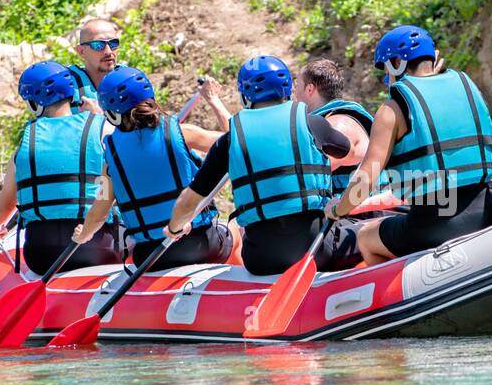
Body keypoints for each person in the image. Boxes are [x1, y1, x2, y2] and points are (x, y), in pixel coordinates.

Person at [165, 56, 362, 276]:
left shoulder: (229, 141)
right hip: (317, 248)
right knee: (369, 232)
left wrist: (173, 228)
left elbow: (189, 200)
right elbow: (343, 149)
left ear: (245, 95)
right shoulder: (310, 122)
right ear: (286, 88)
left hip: (260, 259)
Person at [327, 26, 492, 265]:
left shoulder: (392, 110)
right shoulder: (467, 88)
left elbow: (366, 179)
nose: (387, 79)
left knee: (366, 236)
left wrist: (338, 209)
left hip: (433, 227)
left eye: (387, 69)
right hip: (487, 213)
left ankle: (393, 296)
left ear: (397, 63)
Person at [71, 67, 234, 271]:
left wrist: (83, 234)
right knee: (236, 230)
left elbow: (99, 212)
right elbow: (236, 142)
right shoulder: (183, 132)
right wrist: (213, 100)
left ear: (112, 114)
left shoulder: (110, 157)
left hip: (149, 257)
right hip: (200, 245)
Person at [0, 61, 122, 274]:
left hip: (40, 254)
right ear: (71, 94)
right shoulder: (103, 127)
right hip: (97, 249)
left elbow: (6, 201)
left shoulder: (27, 141)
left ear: (34, 104)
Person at [292, 58, 387, 199]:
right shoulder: (331, 119)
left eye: (297, 84)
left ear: (309, 89)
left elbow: (311, 173)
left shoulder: (339, 124)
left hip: (364, 215)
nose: (293, 91)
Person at [67, 18, 122, 114]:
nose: (108, 51)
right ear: (81, 51)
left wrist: (98, 116)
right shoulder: (67, 86)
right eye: (98, 45)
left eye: (113, 43)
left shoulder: (130, 80)